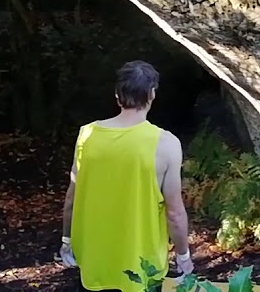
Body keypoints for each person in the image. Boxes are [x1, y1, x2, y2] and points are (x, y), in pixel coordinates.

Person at [59, 61, 194, 292]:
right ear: (152, 94)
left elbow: (72, 195)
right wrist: (183, 256)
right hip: (142, 267)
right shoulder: (167, 144)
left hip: (94, 261)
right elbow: (174, 212)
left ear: (117, 95)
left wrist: (66, 241)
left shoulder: (87, 135)